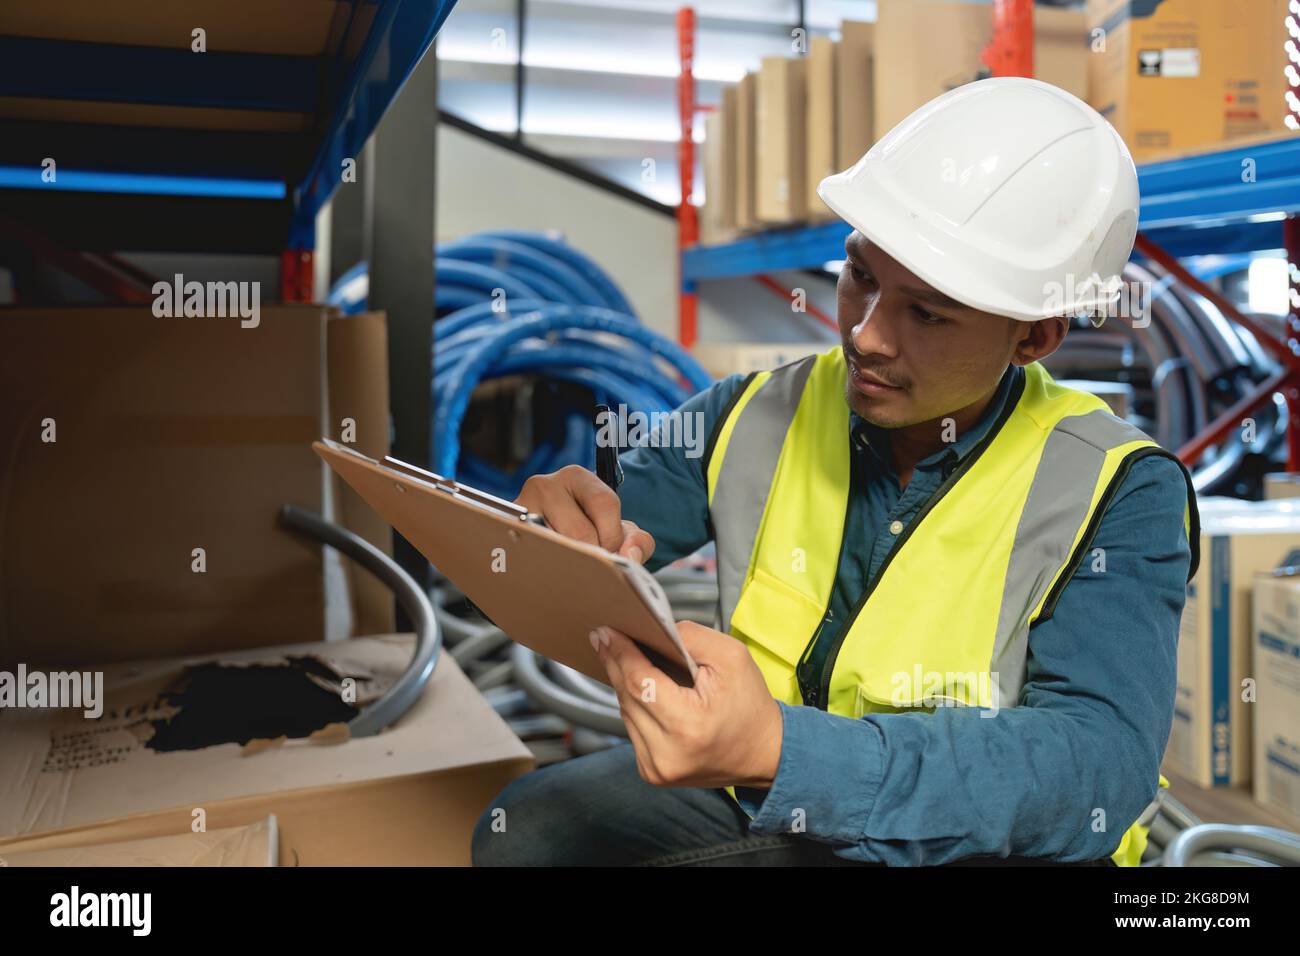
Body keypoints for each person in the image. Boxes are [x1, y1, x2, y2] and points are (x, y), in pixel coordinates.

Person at [472, 77, 1199, 866]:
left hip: (973, 840)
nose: (865, 335)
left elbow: (1096, 767)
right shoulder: (753, 412)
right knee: (530, 832)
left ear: (1035, 337)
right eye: (860, 276)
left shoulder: (1119, 488)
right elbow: (605, 527)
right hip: (778, 799)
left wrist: (783, 750)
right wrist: (553, 530)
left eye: (926, 312)